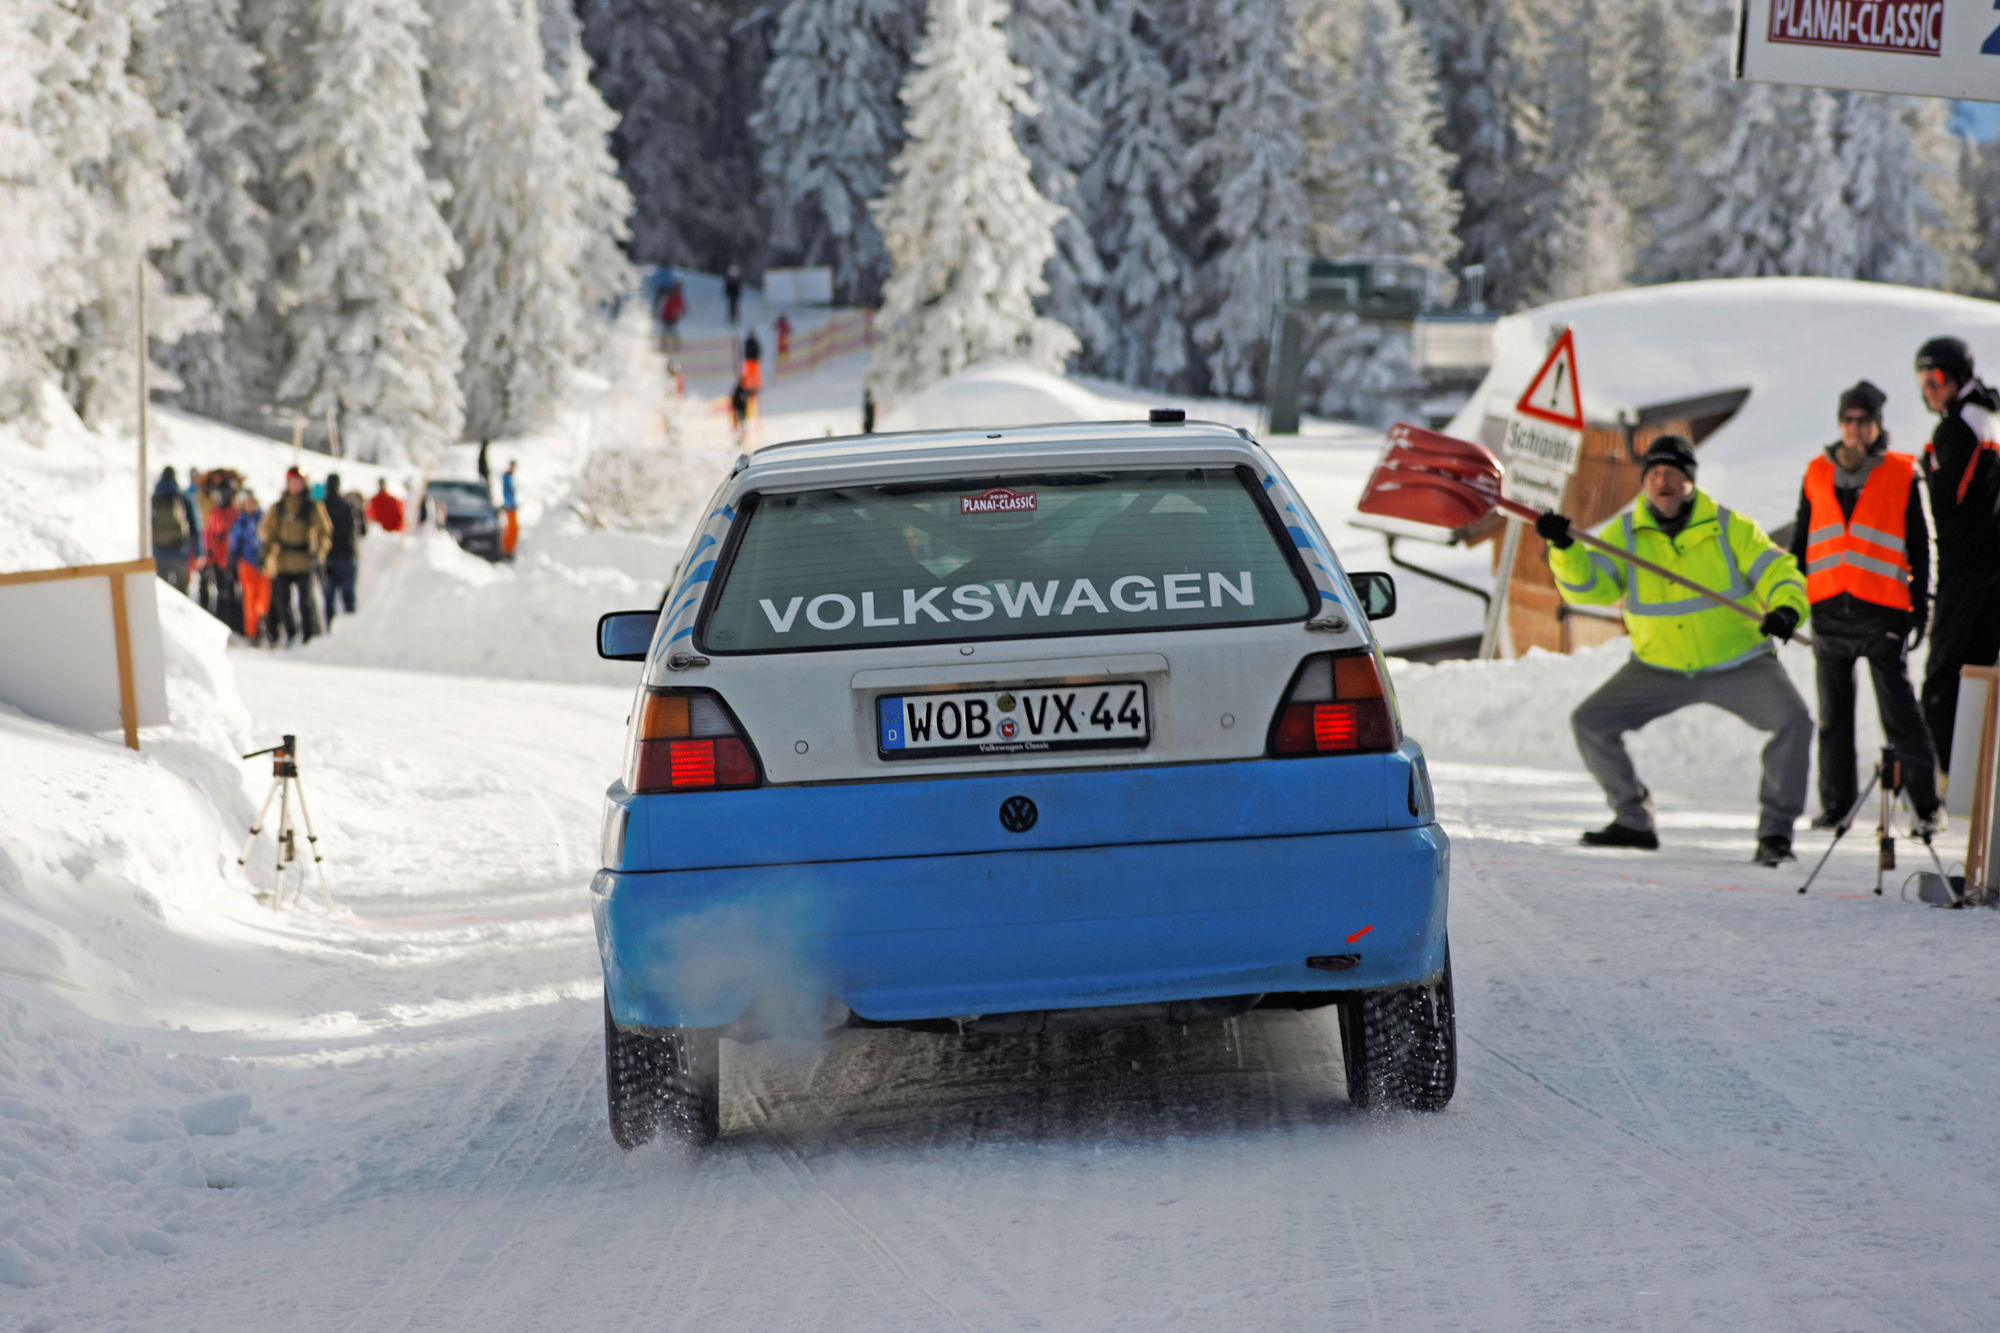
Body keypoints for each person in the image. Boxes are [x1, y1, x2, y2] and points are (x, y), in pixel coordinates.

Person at [1538, 435, 1814, 866]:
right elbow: (1590, 586)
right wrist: (1564, 548)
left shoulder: (1729, 527)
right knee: (1590, 722)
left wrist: (1785, 609)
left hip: (1738, 661)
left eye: (1672, 473)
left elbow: (1779, 571)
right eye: (1653, 474)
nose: (1662, 481)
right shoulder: (1625, 533)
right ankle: (1634, 821)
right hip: (1658, 666)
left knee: (1794, 722)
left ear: (1690, 481)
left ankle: (1776, 835)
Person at [1787, 381, 1942, 834]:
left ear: (1878, 425)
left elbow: (1921, 544)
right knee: (1834, 717)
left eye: (1864, 421)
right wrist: (1791, 600)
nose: (1855, 429)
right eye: (1848, 420)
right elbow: (1800, 544)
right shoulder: (1816, 471)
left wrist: (1922, 605)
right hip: (1829, 608)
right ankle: (1836, 805)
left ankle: (1925, 806)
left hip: (1882, 611)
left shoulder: (1901, 471)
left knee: (1899, 714)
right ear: (1840, 424)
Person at [1913, 336, 2000, 775]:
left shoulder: (1960, 425)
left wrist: (1926, 469)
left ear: (1956, 378)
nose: (1928, 390)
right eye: (1922, 381)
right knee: (1979, 672)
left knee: (1944, 675)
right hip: (1989, 568)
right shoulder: (1989, 415)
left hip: (1966, 568)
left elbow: (1949, 500)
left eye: (1935, 379)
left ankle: (1943, 778)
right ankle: (1973, 780)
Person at [260, 468, 331, 645]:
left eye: (298, 482)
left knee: (306, 602)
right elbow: (269, 533)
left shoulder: (312, 507)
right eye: (292, 481)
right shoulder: (279, 507)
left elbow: (324, 531)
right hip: (283, 561)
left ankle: (309, 636)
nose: (295, 485)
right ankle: (291, 634)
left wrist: (319, 552)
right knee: (282, 601)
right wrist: (265, 556)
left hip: (304, 561)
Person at [231, 492, 271, 645]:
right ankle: (251, 632)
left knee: (264, 597)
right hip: (247, 564)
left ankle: (264, 625)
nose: (249, 506)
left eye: (252, 503)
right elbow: (235, 542)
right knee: (249, 597)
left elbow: (268, 539)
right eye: (247, 503)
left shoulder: (264, 519)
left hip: (263, 564)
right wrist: (233, 558)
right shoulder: (241, 521)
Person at [199, 476, 241, 625]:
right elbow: (209, 534)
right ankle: (219, 620)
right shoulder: (215, 513)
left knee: (231, 592)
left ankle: (233, 622)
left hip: (231, 560)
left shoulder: (234, 513)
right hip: (217, 559)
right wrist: (209, 553)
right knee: (219, 591)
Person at [320, 471, 359, 625]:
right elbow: (359, 529)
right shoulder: (347, 505)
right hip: (346, 555)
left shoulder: (321, 505)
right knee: (348, 596)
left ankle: (330, 628)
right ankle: (350, 628)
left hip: (328, 556)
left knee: (329, 597)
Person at [151, 466, 197, 594]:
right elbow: (194, 526)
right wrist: (197, 552)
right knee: (182, 592)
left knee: (163, 594)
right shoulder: (183, 497)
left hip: (159, 552)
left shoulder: (154, 498)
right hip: (180, 551)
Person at [500, 459, 519, 559]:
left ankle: (509, 549)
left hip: (511, 506)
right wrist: (510, 504)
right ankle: (507, 550)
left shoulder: (510, 477)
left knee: (513, 528)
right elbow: (507, 493)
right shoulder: (507, 478)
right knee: (512, 528)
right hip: (510, 507)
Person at [660, 283, 686, 350]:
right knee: (666, 331)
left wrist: (683, 311)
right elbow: (665, 306)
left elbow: (681, 306)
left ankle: (675, 345)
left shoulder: (677, 297)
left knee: (672, 331)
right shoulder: (670, 296)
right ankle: (665, 345)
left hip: (672, 317)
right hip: (666, 316)